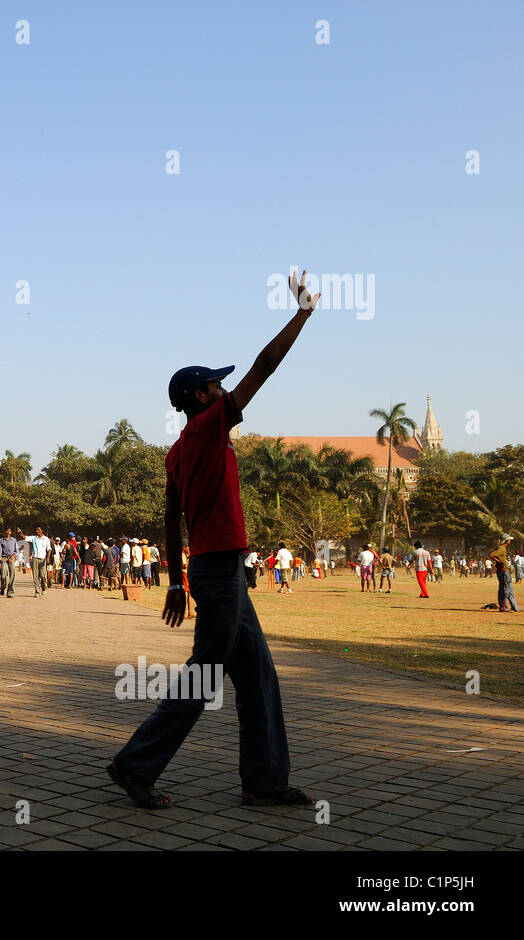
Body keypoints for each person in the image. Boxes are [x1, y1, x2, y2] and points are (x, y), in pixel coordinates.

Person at [108, 267, 320, 811]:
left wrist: (176, 583)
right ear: (201, 396)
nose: (225, 388)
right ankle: (135, 765)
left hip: (214, 571)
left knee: (259, 679)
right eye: (216, 384)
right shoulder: (206, 429)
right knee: (204, 677)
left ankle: (264, 783)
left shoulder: (178, 450)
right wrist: (302, 315)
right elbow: (264, 367)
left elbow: (169, 516)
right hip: (220, 573)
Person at [488, 535, 517, 613]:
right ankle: (504, 607)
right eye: (509, 540)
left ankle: (515, 607)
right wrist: (499, 561)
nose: (510, 541)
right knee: (505, 590)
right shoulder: (501, 548)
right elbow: (491, 555)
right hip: (503, 571)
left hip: (505, 570)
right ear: (506, 541)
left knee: (509, 589)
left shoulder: (502, 548)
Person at [23, 526, 50, 597]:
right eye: (36, 530)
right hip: (35, 558)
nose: (37, 531)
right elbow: (25, 538)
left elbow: (49, 549)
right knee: (36, 576)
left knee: (43, 575)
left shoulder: (46, 539)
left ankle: (44, 588)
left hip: (43, 559)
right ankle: (37, 591)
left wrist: (48, 557)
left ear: (42, 531)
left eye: (38, 530)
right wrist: (20, 533)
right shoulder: (34, 538)